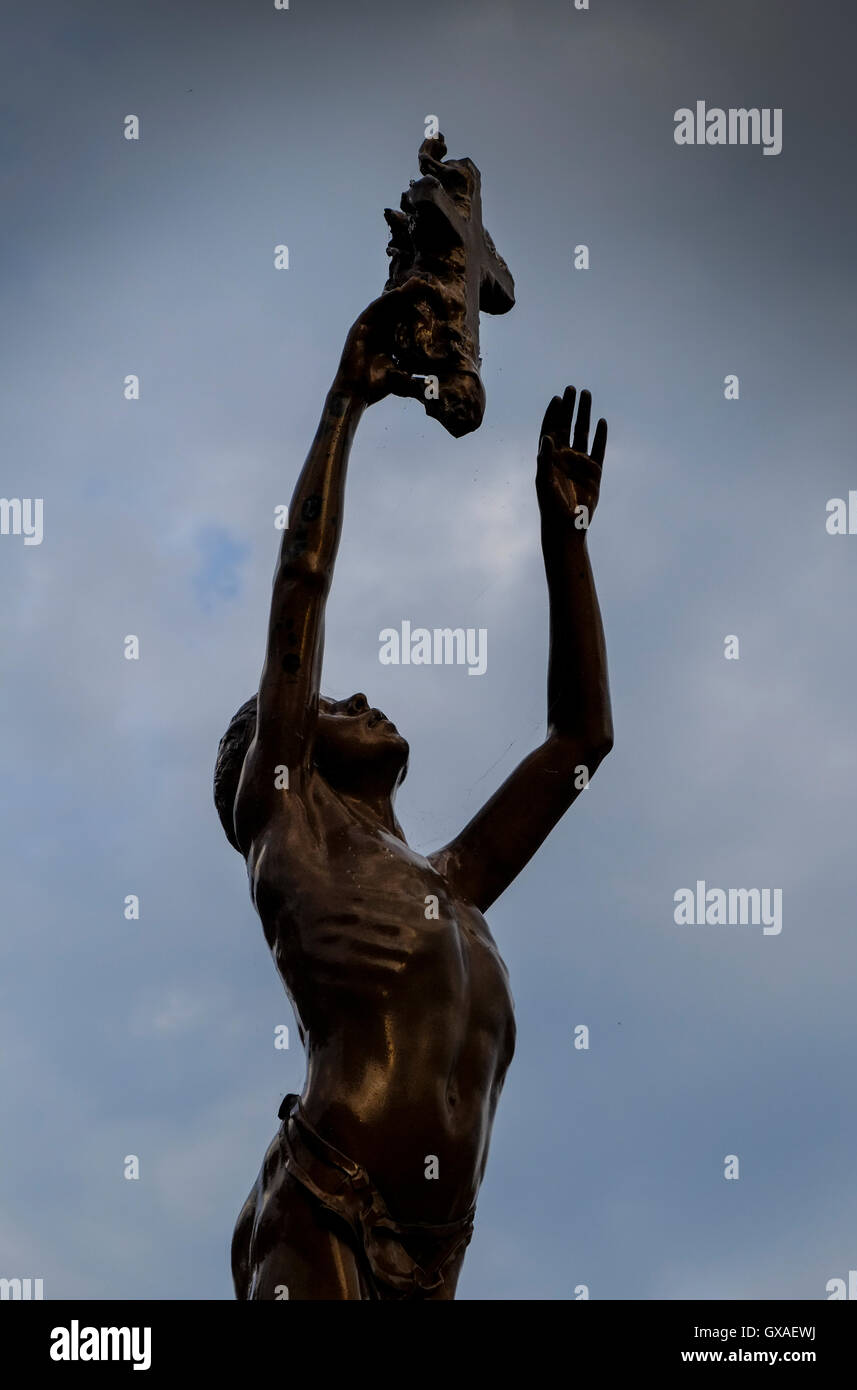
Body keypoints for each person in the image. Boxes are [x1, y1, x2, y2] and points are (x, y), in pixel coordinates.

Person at [214, 282, 613, 1299]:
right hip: (318, 1213)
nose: (354, 693)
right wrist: (347, 400)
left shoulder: (454, 886)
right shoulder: (289, 826)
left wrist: (564, 535)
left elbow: (581, 736)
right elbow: (300, 588)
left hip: (432, 1257)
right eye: (328, 701)